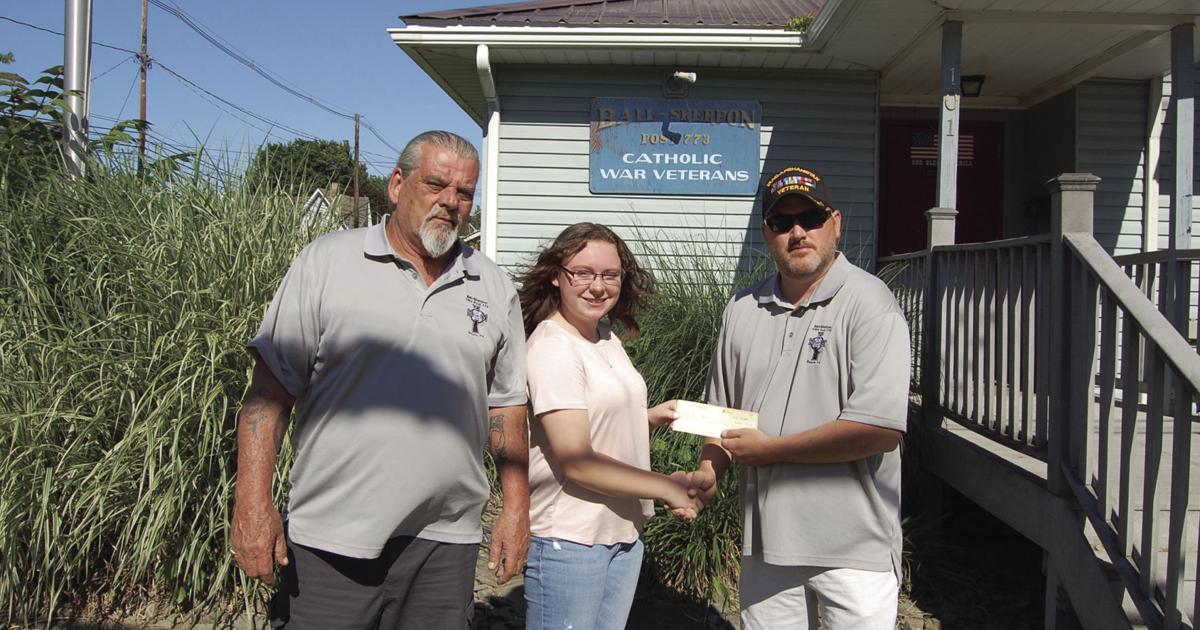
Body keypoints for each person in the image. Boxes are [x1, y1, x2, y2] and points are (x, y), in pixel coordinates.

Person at [230, 130, 530, 630]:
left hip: (445, 541)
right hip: (331, 537)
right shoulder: (327, 263)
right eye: (436, 185)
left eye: (464, 193)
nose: (450, 203)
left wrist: (516, 510)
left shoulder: (494, 286)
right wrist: (252, 503)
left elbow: (507, 407)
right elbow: (267, 395)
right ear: (397, 184)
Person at [688, 166, 911, 629]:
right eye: (782, 221)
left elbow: (879, 431)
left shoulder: (871, 303)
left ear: (835, 223)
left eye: (810, 217)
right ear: (766, 233)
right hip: (766, 548)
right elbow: (720, 417)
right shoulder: (742, 309)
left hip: (855, 551)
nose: (797, 232)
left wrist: (771, 452)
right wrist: (709, 472)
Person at [514, 222, 701, 630]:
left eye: (609, 275)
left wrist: (648, 417)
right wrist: (667, 487)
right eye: (582, 273)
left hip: (621, 532)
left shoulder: (604, 336)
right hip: (571, 540)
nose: (597, 287)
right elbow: (577, 462)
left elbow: (591, 416)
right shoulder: (552, 348)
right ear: (556, 276)